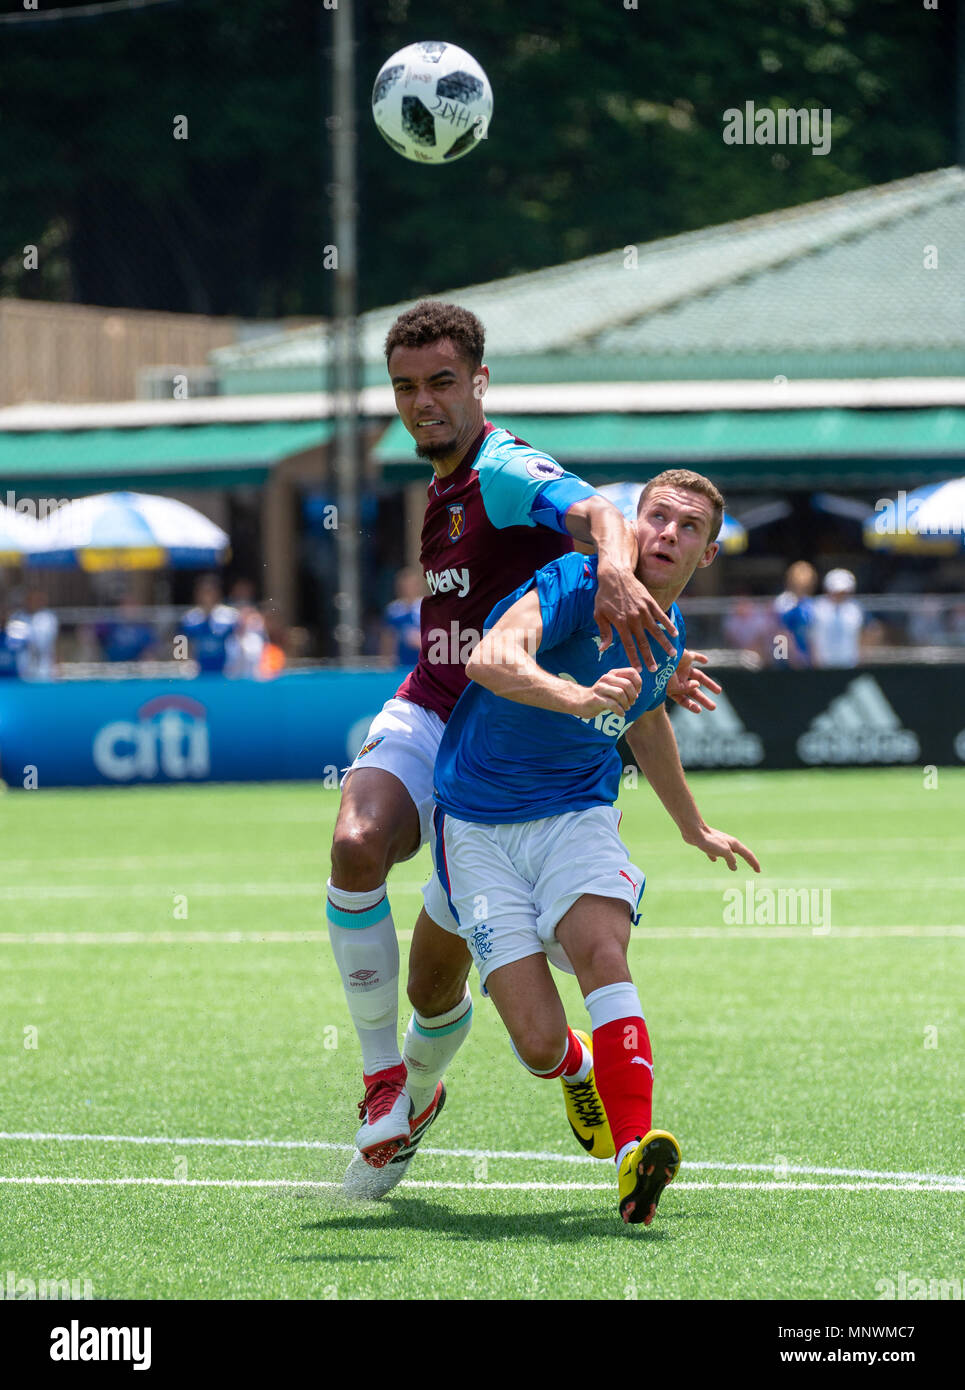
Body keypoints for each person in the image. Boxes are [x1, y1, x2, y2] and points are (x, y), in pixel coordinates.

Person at [327, 301, 719, 1196]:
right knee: (359, 851)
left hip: (504, 747)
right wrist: (634, 638)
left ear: (478, 383)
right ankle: (391, 1082)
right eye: (404, 388)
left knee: (448, 987)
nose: (422, 402)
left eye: (440, 383)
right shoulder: (446, 484)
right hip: (446, 714)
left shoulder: (501, 464)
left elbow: (596, 514)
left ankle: (435, 1091)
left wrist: (618, 577)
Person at [408, 470, 760, 1224]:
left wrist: (691, 825)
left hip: (575, 812)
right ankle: (577, 1065)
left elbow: (642, 719)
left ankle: (635, 1156)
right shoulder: (574, 580)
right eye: (656, 517)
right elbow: (489, 660)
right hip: (476, 825)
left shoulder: (669, 632)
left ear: (707, 552)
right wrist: (574, 697)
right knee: (536, 1044)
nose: (666, 533)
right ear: (631, 524)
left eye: (687, 526)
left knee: (604, 948)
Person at [179, 576, 239, 674]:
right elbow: (181, 642)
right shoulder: (189, 618)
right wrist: (185, 663)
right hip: (200, 671)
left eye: (210, 591)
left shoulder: (230, 616)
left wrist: (234, 666)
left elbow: (237, 642)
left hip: (225, 671)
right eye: (204, 592)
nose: (207, 596)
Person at [810, 568, 864, 668]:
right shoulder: (816, 607)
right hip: (823, 665)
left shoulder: (855, 609)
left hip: (849, 664)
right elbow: (811, 636)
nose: (839, 595)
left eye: (843, 591)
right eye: (836, 591)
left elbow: (860, 636)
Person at [773, 561, 818, 666]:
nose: (803, 581)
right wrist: (790, 657)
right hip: (785, 661)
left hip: (807, 660)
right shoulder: (782, 602)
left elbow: (812, 633)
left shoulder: (811, 604)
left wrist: (813, 657)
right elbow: (780, 633)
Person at [380, 567, 424, 669]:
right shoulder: (393, 610)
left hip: (421, 665)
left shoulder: (426, 608)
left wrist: (420, 641)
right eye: (404, 586)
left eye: (411, 585)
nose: (408, 589)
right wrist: (386, 662)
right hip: (401, 666)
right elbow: (388, 638)